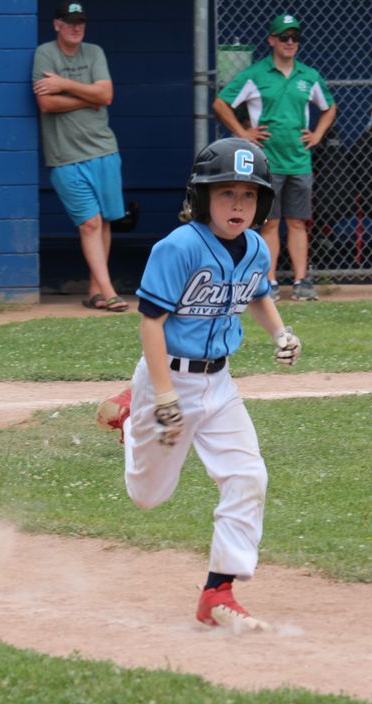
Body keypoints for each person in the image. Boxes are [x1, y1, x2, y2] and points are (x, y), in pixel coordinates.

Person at [94, 138, 302, 631]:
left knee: (248, 476)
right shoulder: (179, 247)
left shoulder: (253, 247)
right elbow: (151, 323)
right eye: (226, 193)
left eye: (248, 196)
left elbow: (258, 294)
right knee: (148, 496)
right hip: (169, 379)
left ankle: (218, 591)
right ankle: (131, 416)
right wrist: (162, 396)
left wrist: (281, 333)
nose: (238, 205)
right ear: (202, 197)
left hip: (220, 383)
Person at [212, 14, 337, 302]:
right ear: (272, 41)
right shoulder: (255, 74)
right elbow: (221, 103)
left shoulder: (308, 76)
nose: (290, 42)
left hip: (299, 161)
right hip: (266, 163)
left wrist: (317, 134)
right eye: (284, 37)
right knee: (269, 223)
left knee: (297, 222)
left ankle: (301, 281)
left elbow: (329, 107)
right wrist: (243, 132)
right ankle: (268, 283)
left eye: (295, 37)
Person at [32, 1, 128, 312]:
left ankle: (95, 291)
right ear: (57, 24)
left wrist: (63, 85)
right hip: (65, 155)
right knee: (90, 222)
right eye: (70, 22)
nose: (76, 27)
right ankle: (110, 291)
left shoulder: (94, 52)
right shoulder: (45, 53)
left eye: (81, 22)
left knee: (104, 223)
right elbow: (47, 105)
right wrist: (88, 97)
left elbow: (107, 95)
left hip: (104, 149)